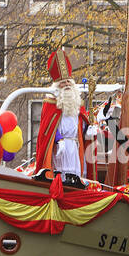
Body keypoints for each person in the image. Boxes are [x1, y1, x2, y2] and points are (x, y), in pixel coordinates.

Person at [34, 49, 96, 181]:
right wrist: (58, 139)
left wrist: (89, 129)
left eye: (68, 82)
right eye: (63, 82)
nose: (67, 84)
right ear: (57, 86)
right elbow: (48, 129)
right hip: (60, 147)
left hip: (75, 146)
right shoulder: (51, 103)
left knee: (76, 176)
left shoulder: (77, 103)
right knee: (60, 175)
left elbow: (81, 126)